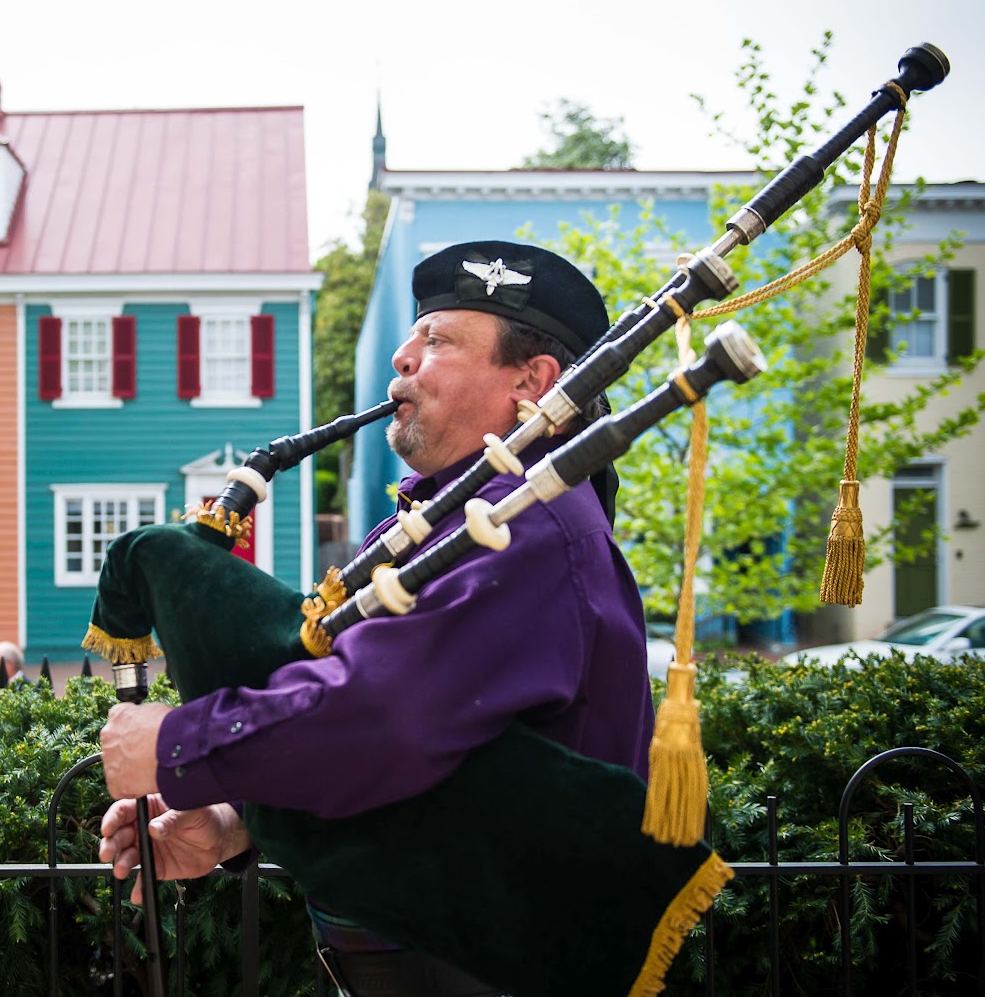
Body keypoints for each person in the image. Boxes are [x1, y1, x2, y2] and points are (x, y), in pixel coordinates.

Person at [98, 241, 653, 996]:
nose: (401, 356)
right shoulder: (445, 517)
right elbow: (429, 774)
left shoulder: (527, 526)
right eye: (414, 334)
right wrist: (234, 824)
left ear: (533, 381)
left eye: (439, 340)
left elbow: (383, 714)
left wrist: (177, 743)